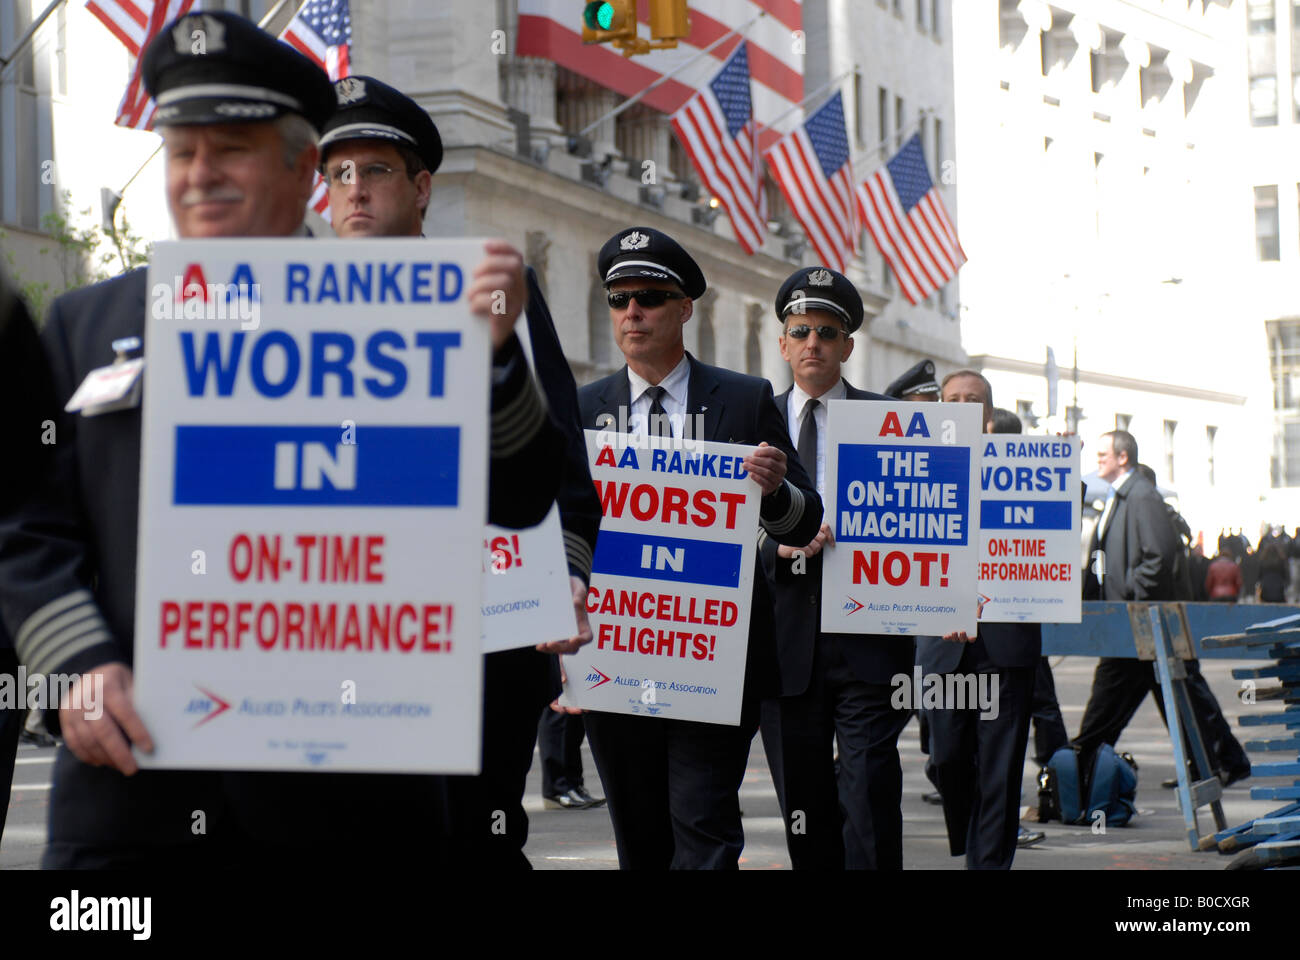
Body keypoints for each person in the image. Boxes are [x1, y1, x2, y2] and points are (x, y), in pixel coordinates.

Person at [0, 12, 562, 869]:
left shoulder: (408, 320)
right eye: (183, 151)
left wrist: (490, 366)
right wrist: (77, 664)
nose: (200, 175)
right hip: (129, 807)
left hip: (351, 807)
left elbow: (521, 499)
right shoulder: (90, 323)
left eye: (231, 149)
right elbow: (27, 525)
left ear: (302, 168)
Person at [318, 73, 598, 866]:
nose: (354, 191)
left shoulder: (493, 293)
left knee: (473, 834)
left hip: (486, 639)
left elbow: (563, 463)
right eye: (338, 173)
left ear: (422, 189)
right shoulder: (285, 306)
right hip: (336, 640)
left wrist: (567, 576)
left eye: (375, 171)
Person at [576, 226, 822, 869]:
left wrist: (771, 493)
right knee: (639, 836)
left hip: (715, 659)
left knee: (706, 829)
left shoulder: (743, 399)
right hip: (615, 658)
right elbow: (560, 531)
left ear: (684, 308)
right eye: (619, 298)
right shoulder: (583, 409)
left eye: (649, 298)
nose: (632, 312)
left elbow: (803, 522)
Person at [756, 266, 912, 870]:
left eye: (826, 331)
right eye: (800, 331)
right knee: (803, 805)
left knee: (870, 794)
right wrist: (776, 549)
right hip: (782, 645)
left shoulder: (893, 422)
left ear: (848, 345)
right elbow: (720, 527)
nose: (812, 343)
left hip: (870, 645)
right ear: (783, 342)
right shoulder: (752, 417)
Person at [1073, 433, 1249, 788]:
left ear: (1123, 457)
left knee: (1128, 700)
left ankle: (1079, 769)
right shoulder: (1122, 496)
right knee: (1180, 695)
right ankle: (1210, 763)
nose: (1098, 460)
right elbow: (1107, 557)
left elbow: (1158, 556)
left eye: (1104, 454)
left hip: (1137, 620)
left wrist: (1130, 595)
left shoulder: (1140, 496)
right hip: (1130, 620)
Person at [918, 370, 1040, 869]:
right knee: (946, 759)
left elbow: (1062, 505)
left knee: (1000, 768)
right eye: (954, 399)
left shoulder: (1019, 468)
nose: (964, 406)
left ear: (989, 414)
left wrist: (1054, 465)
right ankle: (974, 837)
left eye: (974, 400)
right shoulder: (918, 468)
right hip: (942, 643)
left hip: (1002, 644)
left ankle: (987, 862)